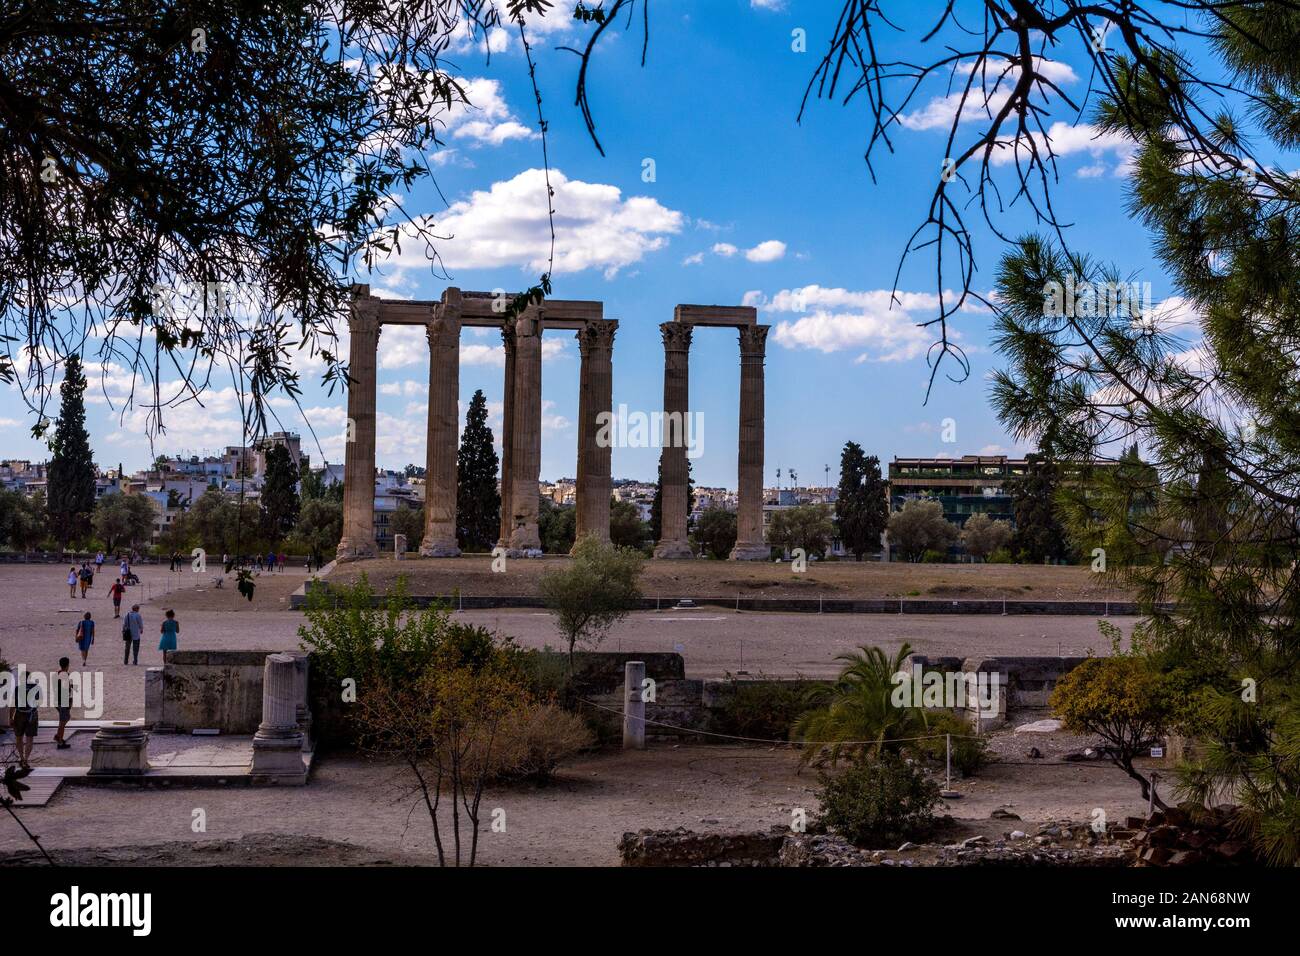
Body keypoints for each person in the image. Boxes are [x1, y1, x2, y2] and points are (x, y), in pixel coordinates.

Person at [10, 674, 40, 768]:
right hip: (32, 714)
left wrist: (10, 717)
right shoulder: (36, 688)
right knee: (29, 739)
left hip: (20, 714)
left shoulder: (18, 688)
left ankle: (21, 758)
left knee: (19, 737)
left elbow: (13, 704)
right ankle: (26, 760)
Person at [53, 658, 73, 750]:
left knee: (66, 718)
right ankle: (60, 742)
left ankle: (58, 736)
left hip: (57, 701)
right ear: (67, 665)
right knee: (62, 722)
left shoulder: (57, 674)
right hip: (63, 702)